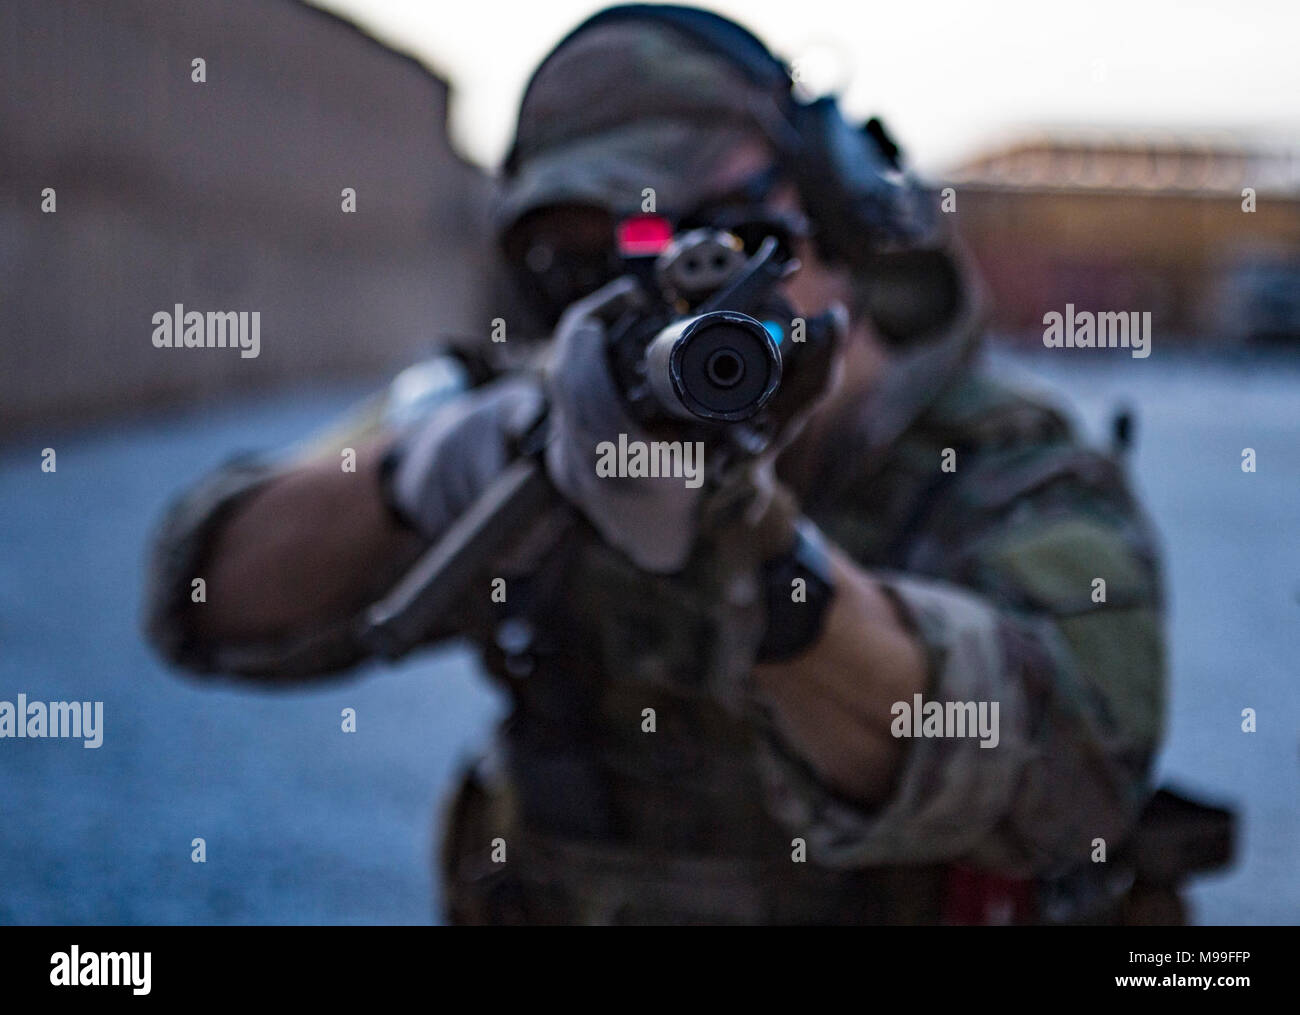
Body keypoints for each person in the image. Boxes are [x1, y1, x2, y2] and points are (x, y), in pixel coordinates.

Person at [143, 5, 1170, 924]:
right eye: (582, 263)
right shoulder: (527, 411)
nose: (654, 289)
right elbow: (201, 594)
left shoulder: (1004, 461)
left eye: (714, 238)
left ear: (833, 204)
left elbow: (1072, 779)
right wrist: (441, 471)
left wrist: (755, 558)